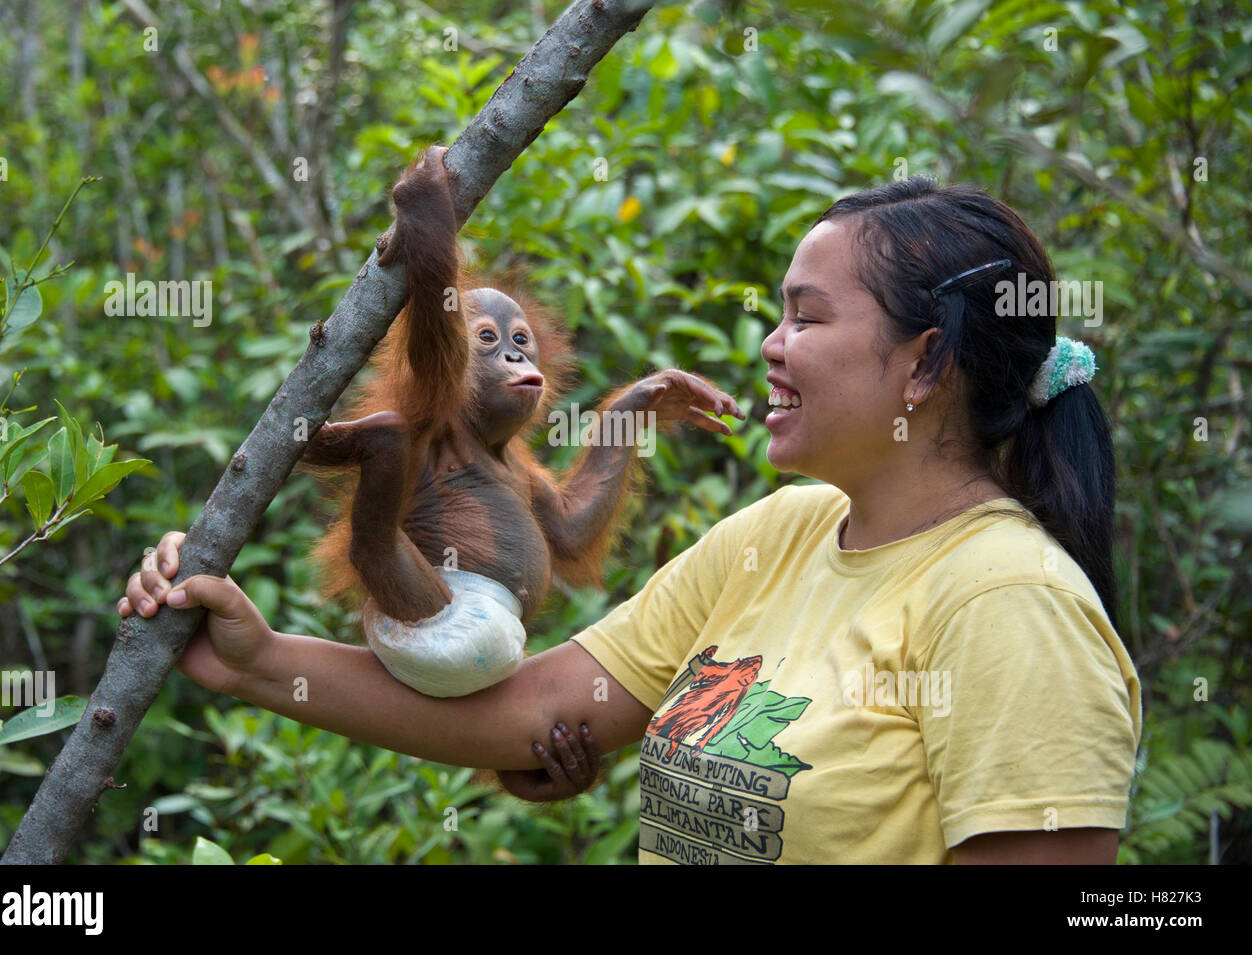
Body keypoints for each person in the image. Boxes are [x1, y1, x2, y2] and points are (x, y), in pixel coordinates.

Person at [118, 176, 1140, 864]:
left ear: (925, 361)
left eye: (808, 317)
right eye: (776, 314)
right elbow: (531, 706)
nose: (771, 348)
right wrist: (254, 661)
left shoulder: (1008, 605)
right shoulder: (775, 536)